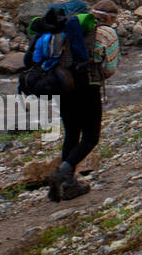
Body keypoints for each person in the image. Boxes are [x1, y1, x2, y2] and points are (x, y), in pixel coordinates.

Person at [43, 11, 102, 202]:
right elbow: (108, 66)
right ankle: (62, 174)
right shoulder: (94, 32)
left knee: (71, 134)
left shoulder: (55, 33)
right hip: (86, 87)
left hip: (62, 86)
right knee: (91, 137)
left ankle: (68, 185)